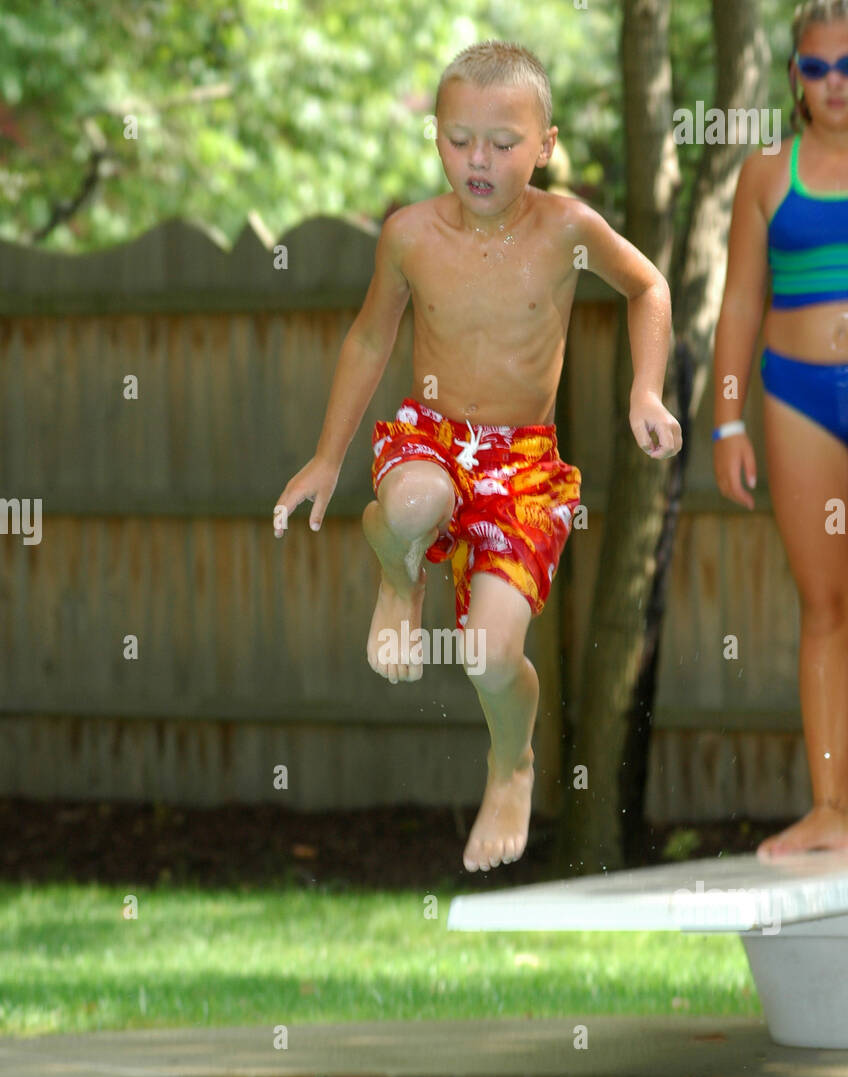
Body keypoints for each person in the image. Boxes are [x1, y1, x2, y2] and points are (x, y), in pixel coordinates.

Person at [274, 40, 681, 873]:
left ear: (547, 145)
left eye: (503, 142)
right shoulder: (410, 236)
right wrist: (326, 457)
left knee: (492, 655)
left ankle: (513, 763)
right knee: (416, 506)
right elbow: (368, 337)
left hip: (523, 466)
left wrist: (645, 390)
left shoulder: (568, 227)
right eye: (460, 140)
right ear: (435, 137)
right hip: (432, 435)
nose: (480, 160)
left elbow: (649, 288)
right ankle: (401, 575)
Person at [714, 0, 848, 861]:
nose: (835, 83)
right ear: (795, 75)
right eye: (818, 67)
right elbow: (739, 300)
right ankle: (831, 811)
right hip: (795, 399)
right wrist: (727, 419)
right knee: (828, 606)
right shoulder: (768, 172)